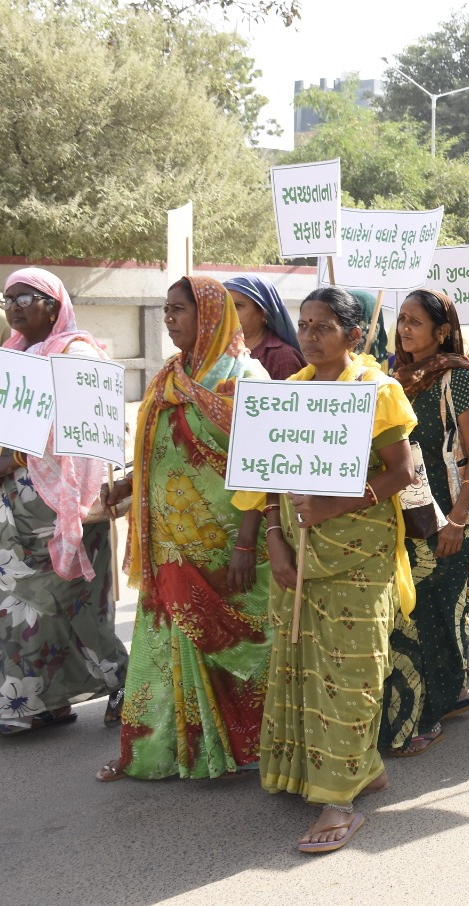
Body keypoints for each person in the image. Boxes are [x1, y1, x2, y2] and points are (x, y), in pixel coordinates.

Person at [253, 286, 417, 853]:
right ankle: (357, 769)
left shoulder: (377, 391)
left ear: (354, 334)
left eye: (323, 326)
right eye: (304, 325)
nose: (310, 336)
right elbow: (270, 475)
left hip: (359, 555)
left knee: (351, 673)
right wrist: (274, 540)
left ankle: (338, 801)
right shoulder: (288, 394)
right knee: (302, 663)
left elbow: (402, 472)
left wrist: (335, 506)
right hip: (297, 552)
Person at [96, 276, 269, 781]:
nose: (169, 318)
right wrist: (127, 485)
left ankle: (240, 749)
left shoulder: (247, 380)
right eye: (166, 309)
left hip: (229, 546)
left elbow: (261, 469)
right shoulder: (168, 377)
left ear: (210, 315)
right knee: (162, 643)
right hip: (170, 546)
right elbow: (158, 448)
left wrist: (245, 542)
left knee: (236, 644)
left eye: (179, 309)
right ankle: (156, 751)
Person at [0, 269, 127, 736]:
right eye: (8, 299)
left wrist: (14, 457)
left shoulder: (77, 355)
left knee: (75, 605)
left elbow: (77, 434)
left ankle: (126, 682)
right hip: (17, 508)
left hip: (65, 505)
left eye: (24, 298)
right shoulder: (13, 355)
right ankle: (40, 702)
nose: (13, 308)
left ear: (53, 306)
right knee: (23, 610)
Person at [381, 289, 469, 755]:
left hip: (445, 515)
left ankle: (430, 710)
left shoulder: (456, 377)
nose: (404, 329)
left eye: (415, 322)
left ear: (442, 331)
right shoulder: (392, 378)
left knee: (435, 612)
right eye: (401, 320)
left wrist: (457, 521)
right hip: (399, 514)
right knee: (407, 612)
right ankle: (430, 697)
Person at [223, 275, 304, 381]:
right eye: (226, 305)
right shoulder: (219, 350)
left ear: (264, 313)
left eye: (238, 306)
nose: (229, 312)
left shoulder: (282, 357)